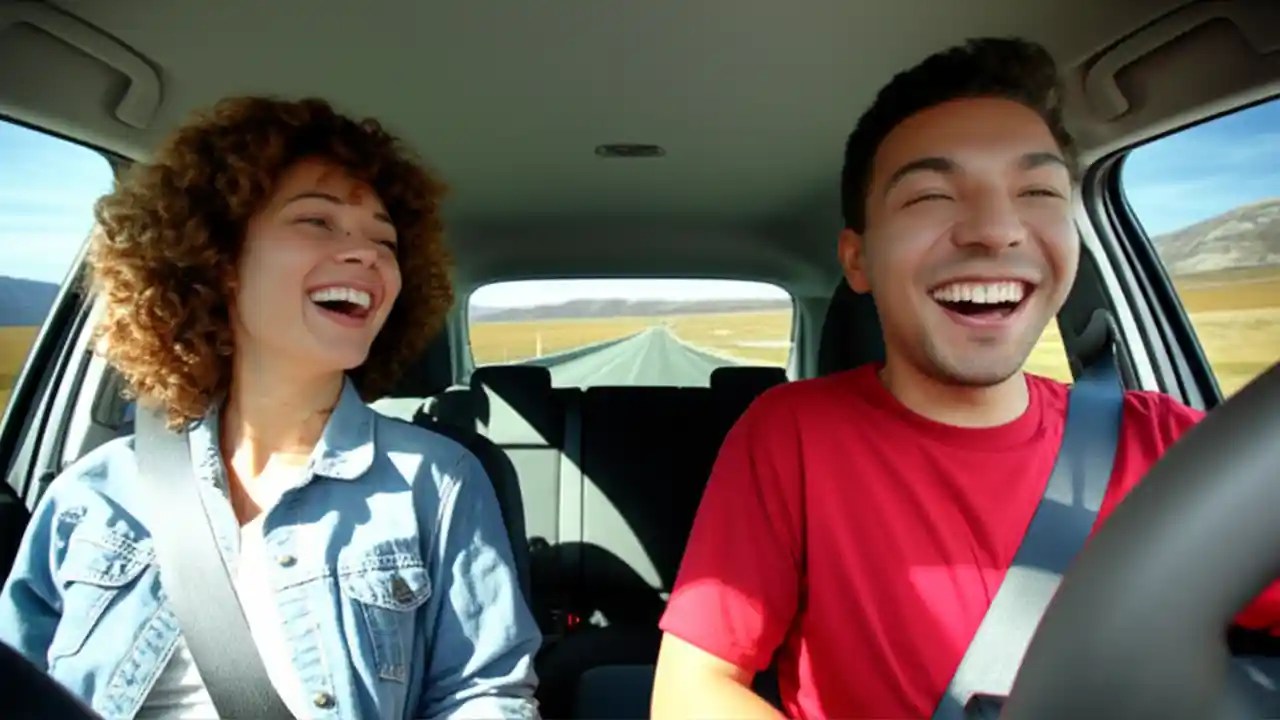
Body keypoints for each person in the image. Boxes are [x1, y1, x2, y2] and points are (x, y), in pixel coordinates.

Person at [651, 37, 1280, 719]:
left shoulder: (1169, 445)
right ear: (857, 260)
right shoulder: (791, 433)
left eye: (1038, 190)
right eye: (930, 196)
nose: (994, 229)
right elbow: (692, 692)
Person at [0, 96, 541, 719]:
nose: (366, 252)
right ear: (220, 258)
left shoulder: (437, 482)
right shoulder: (92, 494)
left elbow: (482, 696)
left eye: (384, 240)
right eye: (318, 221)